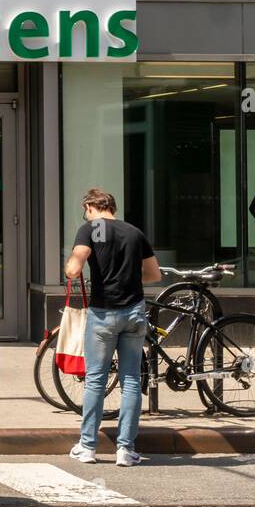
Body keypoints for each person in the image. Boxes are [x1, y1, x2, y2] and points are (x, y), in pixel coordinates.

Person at [64, 187, 161, 468]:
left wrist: (73, 264)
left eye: (85, 211)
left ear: (91, 207)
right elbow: (154, 274)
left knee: (96, 379)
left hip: (103, 313)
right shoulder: (134, 232)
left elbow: (74, 267)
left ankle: (87, 446)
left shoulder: (91, 229)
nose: (85, 215)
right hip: (133, 311)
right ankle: (125, 450)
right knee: (131, 380)